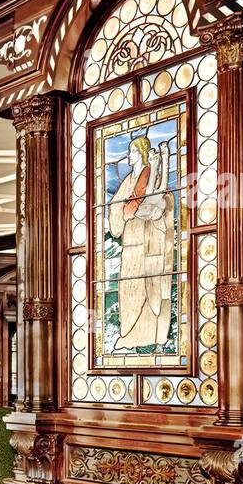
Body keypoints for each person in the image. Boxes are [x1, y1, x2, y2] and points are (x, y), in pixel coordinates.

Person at [106, 134, 174, 350]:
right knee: (128, 287)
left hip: (146, 241)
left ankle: (148, 334)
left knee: (147, 286)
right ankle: (129, 333)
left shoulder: (148, 176)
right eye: (129, 151)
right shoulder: (129, 180)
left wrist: (131, 210)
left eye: (133, 151)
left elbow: (161, 201)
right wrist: (124, 211)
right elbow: (116, 205)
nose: (129, 155)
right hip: (130, 242)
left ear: (143, 153)